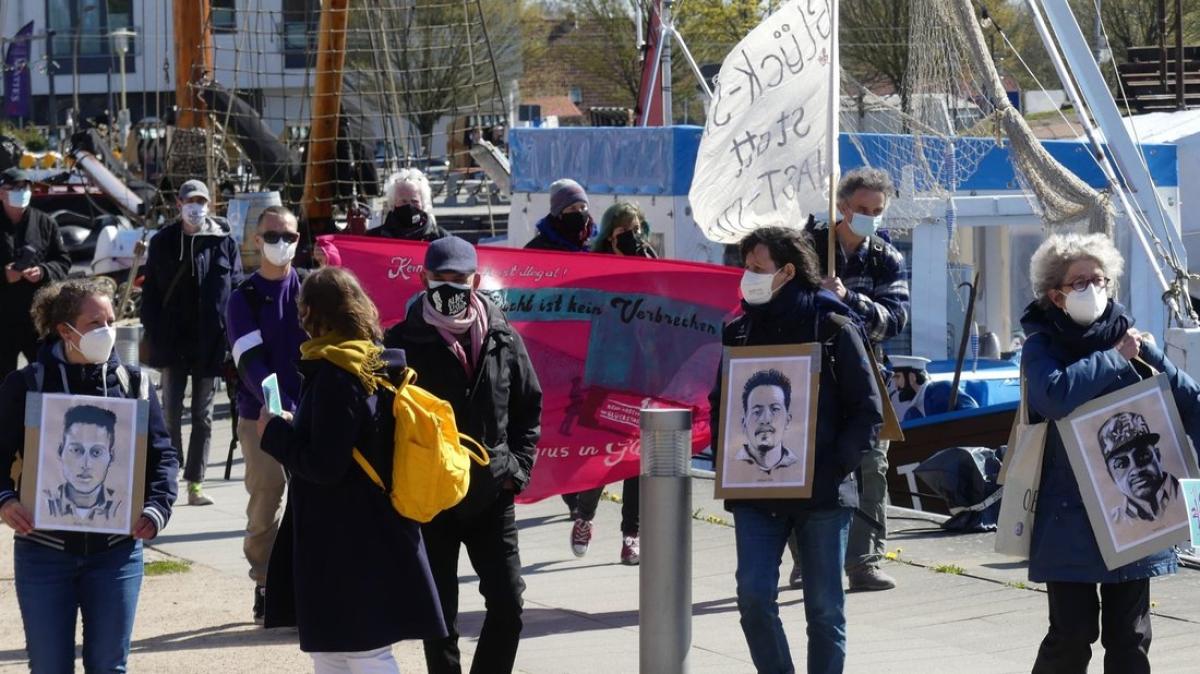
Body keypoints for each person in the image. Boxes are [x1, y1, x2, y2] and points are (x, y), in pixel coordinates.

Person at [1021, 232, 1200, 674]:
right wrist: (1116, 359)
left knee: (1130, 640)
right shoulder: (1042, 346)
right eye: (1079, 282)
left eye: (1099, 280)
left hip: (1137, 524)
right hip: (1068, 519)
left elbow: (1192, 405)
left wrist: (1152, 356)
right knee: (1071, 637)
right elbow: (1054, 396)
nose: (1092, 289)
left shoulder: (1136, 343)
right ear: (1056, 295)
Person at [257, 267, 446, 672]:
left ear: (310, 311)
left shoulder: (337, 374)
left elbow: (325, 466)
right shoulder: (365, 362)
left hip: (346, 539)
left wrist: (275, 433)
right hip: (359, 531)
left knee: (361, 652)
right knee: (334, 651)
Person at [712, 226, 882, 674]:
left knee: (825, 610)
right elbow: (721, 406)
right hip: (756, 494)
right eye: (744, 267)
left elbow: (867, 412)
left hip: (823, 495)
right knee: (752, 598)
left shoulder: (832, 326)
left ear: (787, 271)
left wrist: (828, 472)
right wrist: (728, 460)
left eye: (756, 268)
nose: (747, 276)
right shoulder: (740, 331)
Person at [0, 278, 179, 672]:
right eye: (96, 323)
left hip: (116, 553)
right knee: (48, 667)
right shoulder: (26, 385)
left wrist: (156, 509)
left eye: (112, 320)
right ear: (66, 331)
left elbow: (163, 457)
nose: (108, 331)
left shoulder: (135, 386)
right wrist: (6, 501)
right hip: (43, 551)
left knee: (109, 667)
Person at [384, 237, 542, 674]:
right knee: (440, 620)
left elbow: (529, 404)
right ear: (423, 279)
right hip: (431, 500)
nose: (449, 288)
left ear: (475, 281)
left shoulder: (502, 335)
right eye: (441, 279)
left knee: (508, 606)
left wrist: (516, 468)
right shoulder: (399, 343)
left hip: (492, 494)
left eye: (459, 280)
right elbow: (384, 422)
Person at [804, 167, 909, 592]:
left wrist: (851, 300)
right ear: (842, 207)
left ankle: (864, 561)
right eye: (862, 209)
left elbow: (894, 321)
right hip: (811, 374)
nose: (869, 217)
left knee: (871, 467)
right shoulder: (808, 247)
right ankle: (806, 558)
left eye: (877, 211)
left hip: (866, 374)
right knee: (806, 468)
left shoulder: (887, 258)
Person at [225, 206, 309, 625]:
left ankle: (308, 585)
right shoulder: (244, 298)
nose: (282, 243)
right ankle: (264, 581)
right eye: (273, 235)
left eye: (289, 236)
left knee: (315, 500)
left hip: (313, 416)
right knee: (266, 502)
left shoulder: (313, 287)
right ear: (257, 241)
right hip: (261, 417)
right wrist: (280, 410)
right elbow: (251, 363)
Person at [562, 201, 657, 564]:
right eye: (624, 233)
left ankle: (630, 534)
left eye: (637, 230)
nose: (632, 238)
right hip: (605, 375)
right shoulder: (597, 267)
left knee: (636, 460)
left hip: (644, 375)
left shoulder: (653, 262)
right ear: (609, 235)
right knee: (601, 454)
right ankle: (584, 515)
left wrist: (644, 260)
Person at [140, 179, 242, 506]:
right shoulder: (163, 242)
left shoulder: (223, 241)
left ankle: (195, 483)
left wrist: (232, 336)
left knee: (203, 415)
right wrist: (153, 333)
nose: (196, 207)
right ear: (178, 203)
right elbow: (151, 294)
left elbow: (236, 288)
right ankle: (169, 473)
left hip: (210, 343)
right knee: (171, 411)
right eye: (190, 201)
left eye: (202, 201)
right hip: (172, 343)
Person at [0, 167, 71, 380]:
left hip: (37, 320)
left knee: (46, 377)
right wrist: (4, 275)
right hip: (3, 320)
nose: (21, 192)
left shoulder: (45, 223)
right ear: (1, 192)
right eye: (14, 188)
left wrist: (43, 271)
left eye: (25, 187)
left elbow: (63, 261)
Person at [43, 405, 124, 523]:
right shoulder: (42, 504)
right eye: (76, 450)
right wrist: (7, 501)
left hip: (117, 541)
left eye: (96, 452)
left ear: (111, 457)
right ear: (60, 451)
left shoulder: (123, 506)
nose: (86, 464)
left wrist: (155, 510)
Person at [1098, 412, 1182, 525]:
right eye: (1121, 463)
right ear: (1111, 474)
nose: (1136, 469)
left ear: (1157, 456)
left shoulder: (1190, 496)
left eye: (1142, 455)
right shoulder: (1115, 525)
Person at [369, 168, 450, 241]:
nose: (409, 206)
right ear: (393, 203)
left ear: (423, 203)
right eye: (403, 201)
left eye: (414, 201)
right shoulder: (375, 239)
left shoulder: (441, 239)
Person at [525, 178, 595, 252]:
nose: (579, 212)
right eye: (572, 208)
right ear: (559, 214)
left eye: (583, 207)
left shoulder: (597, 243)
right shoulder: (539, 248)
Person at [591, 202, 657, 258]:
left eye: (636, 229)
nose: (632, 235)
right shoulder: (597, 262)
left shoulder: (647, 256)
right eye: (624, 230)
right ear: (610, 236)